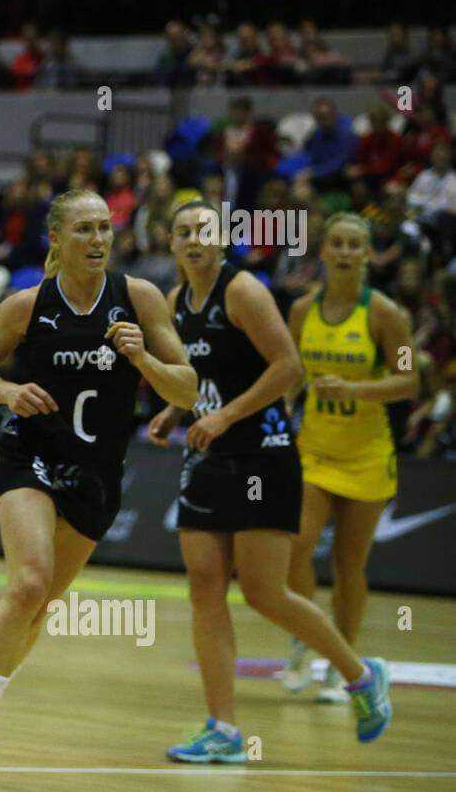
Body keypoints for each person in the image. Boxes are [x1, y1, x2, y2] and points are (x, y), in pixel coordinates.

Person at [0, 189, 198, 783]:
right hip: (30, 453)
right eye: (84, 229)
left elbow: (185, 390)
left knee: (41, 606)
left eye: (105, 228)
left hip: (98, 472)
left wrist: (145, 363)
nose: (98, 240)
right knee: (29, 581)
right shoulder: (25, 306)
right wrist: (8, 392)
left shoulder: (139, 298)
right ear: (56, 239)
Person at [149, 202, 393, 761]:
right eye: (183, 232)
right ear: (171, 243)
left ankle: (360, 674)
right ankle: (224, 730)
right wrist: (173, 410)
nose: (193, 240)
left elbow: (288, 368)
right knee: (205, 588)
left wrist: (225, 415)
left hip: (264, 455)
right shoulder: (173, 303)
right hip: (208, 455)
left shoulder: (244, 292)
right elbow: (195, 379)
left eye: (203, 231)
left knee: (263, 592)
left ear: (222, 239)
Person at [283, 213, 419, 702]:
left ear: (366, 255)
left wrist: (357, 389)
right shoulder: (301, 310)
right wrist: (279, 411)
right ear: (322, 252)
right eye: (336, 243)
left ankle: (344, 667)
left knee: (349, 567)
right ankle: (303, 639)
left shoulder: (386, 315)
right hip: (314, 450)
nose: (343, 252)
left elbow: (409, 380)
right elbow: (290, 372)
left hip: (367, 454)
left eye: (353, 245)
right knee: (296, 547)